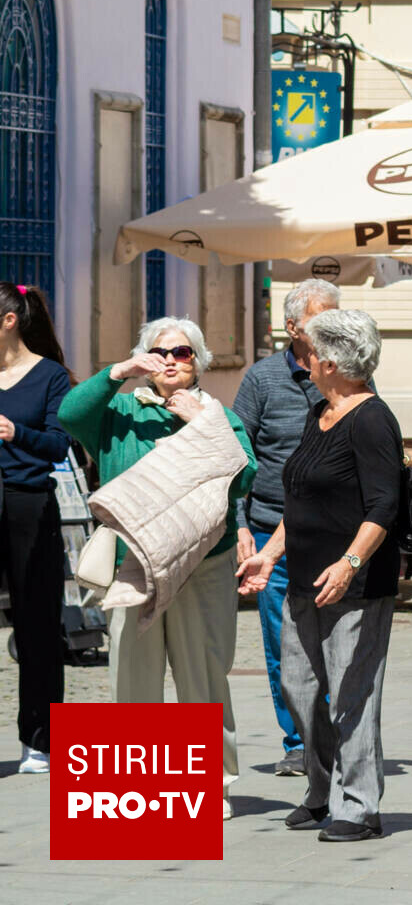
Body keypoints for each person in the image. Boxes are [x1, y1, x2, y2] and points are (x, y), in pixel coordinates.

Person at [60, 317, 257, 818]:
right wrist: (118, 372)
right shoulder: (120, 411)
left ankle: (213, 788)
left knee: (203, 679)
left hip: (202, 567)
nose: (171, 359)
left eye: (184, 352)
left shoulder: (219, 414)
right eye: (160, 351)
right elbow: (68, 412)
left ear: (199, 363)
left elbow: (245, 473)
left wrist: (202, 424)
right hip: (133, 568)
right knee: (133, 681)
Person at [236, 309, 404, 842]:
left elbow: (383, 507)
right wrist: (270, 553)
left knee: (353, 693)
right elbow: (300, 497)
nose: (302, 358)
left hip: (353, 586)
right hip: (305, 578)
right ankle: (320, 788)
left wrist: (350, 561)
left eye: (309, 351)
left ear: (330, 361)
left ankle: (359, 806)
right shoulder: (319, 412)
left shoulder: (373, 418)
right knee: (300, 688)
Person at [233, 277, 342, 778]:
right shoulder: (260, 380)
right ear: (291, 326)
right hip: (270, 534)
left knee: (334, 643)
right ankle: (298, 740)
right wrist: (239, 526)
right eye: (322, 319)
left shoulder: (347, 372)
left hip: (334, 536)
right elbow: (234, 457)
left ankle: (336, 732)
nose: (332, 327)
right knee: (282, 645)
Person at [0, 285, 72, 775]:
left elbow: (59, 444)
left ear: (9, 321)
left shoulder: (50, 377)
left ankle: (40, 740)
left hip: (29, 506)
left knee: (37, 626)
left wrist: (15, 432)